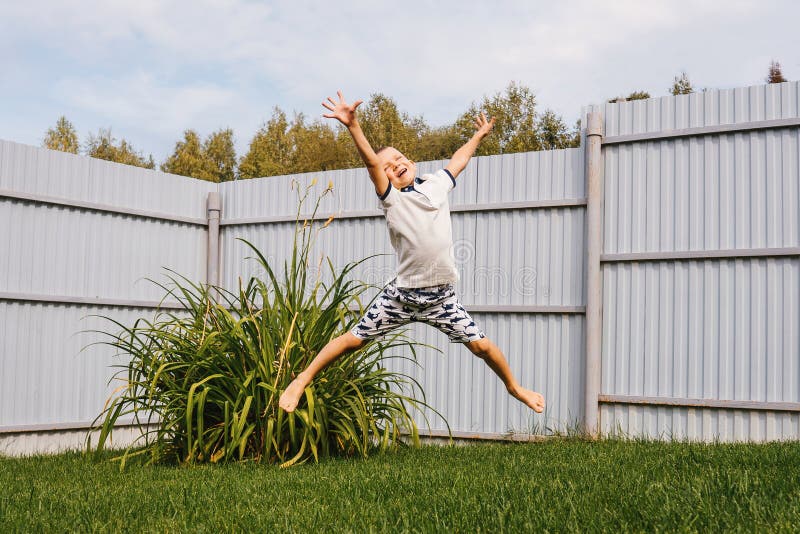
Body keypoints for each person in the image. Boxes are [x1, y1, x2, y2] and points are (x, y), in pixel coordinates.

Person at [278, 91, 545, 414]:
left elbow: (457, 161)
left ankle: (515, 387)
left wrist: (478, 136)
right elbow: (370, 161)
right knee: (353, 340)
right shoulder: (392, 199)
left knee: (483, 346)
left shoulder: (436, 184)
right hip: (401, 297)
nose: (396, 166)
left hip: (441, 298)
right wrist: (353, 126)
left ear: (412, 162)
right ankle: (302, 378)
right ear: (384, 177)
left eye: (400, 159)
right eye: (389, 167)